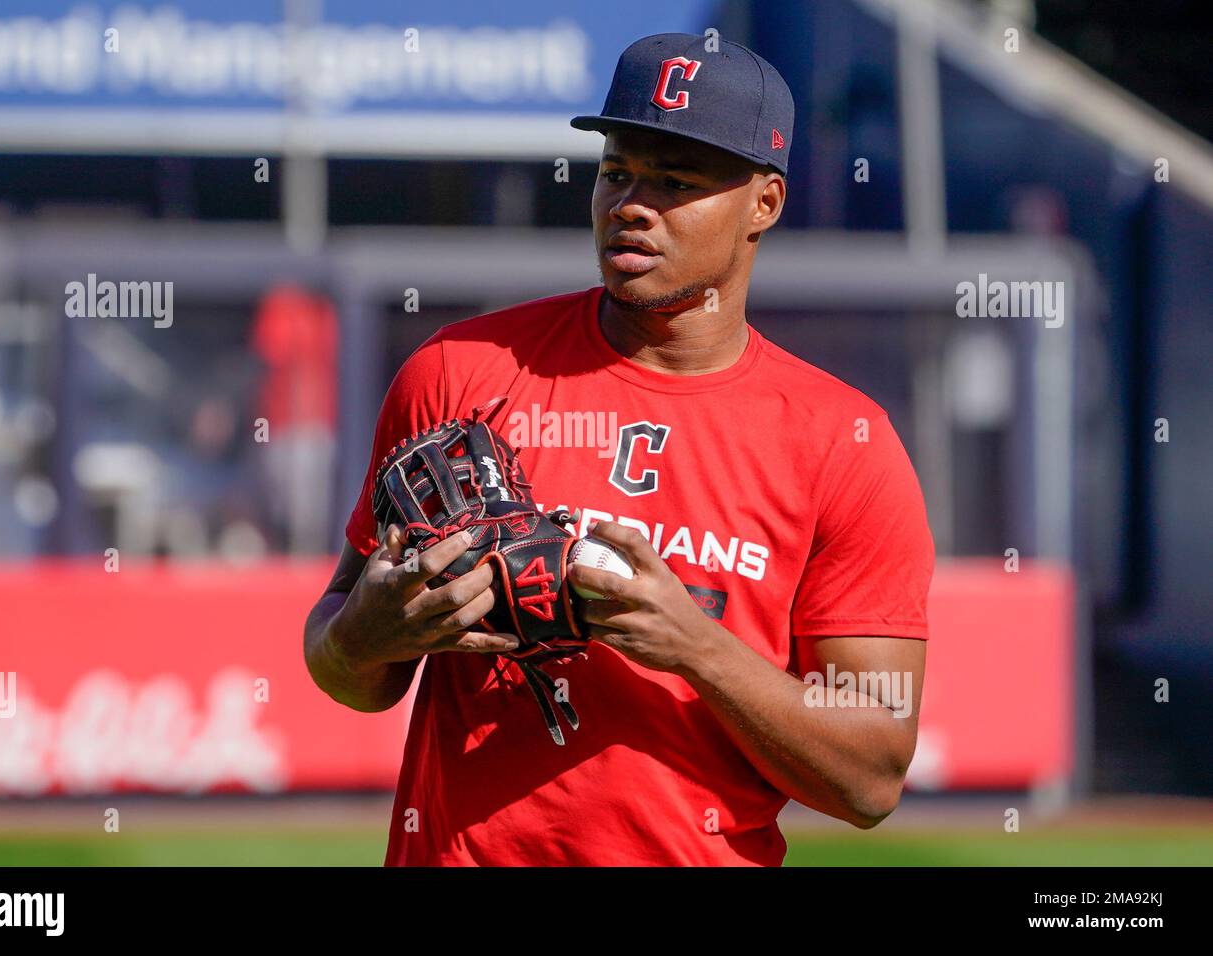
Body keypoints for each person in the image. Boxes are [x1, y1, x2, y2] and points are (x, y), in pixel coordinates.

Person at [303, 33, 934, 866]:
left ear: (765, 204)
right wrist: (365, 637)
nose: (632, 203)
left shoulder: (844, 443)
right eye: (616, 171)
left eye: (676, 182)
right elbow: (343, 667)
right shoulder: (459, 372)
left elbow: (871, 781)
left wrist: (695, 647)